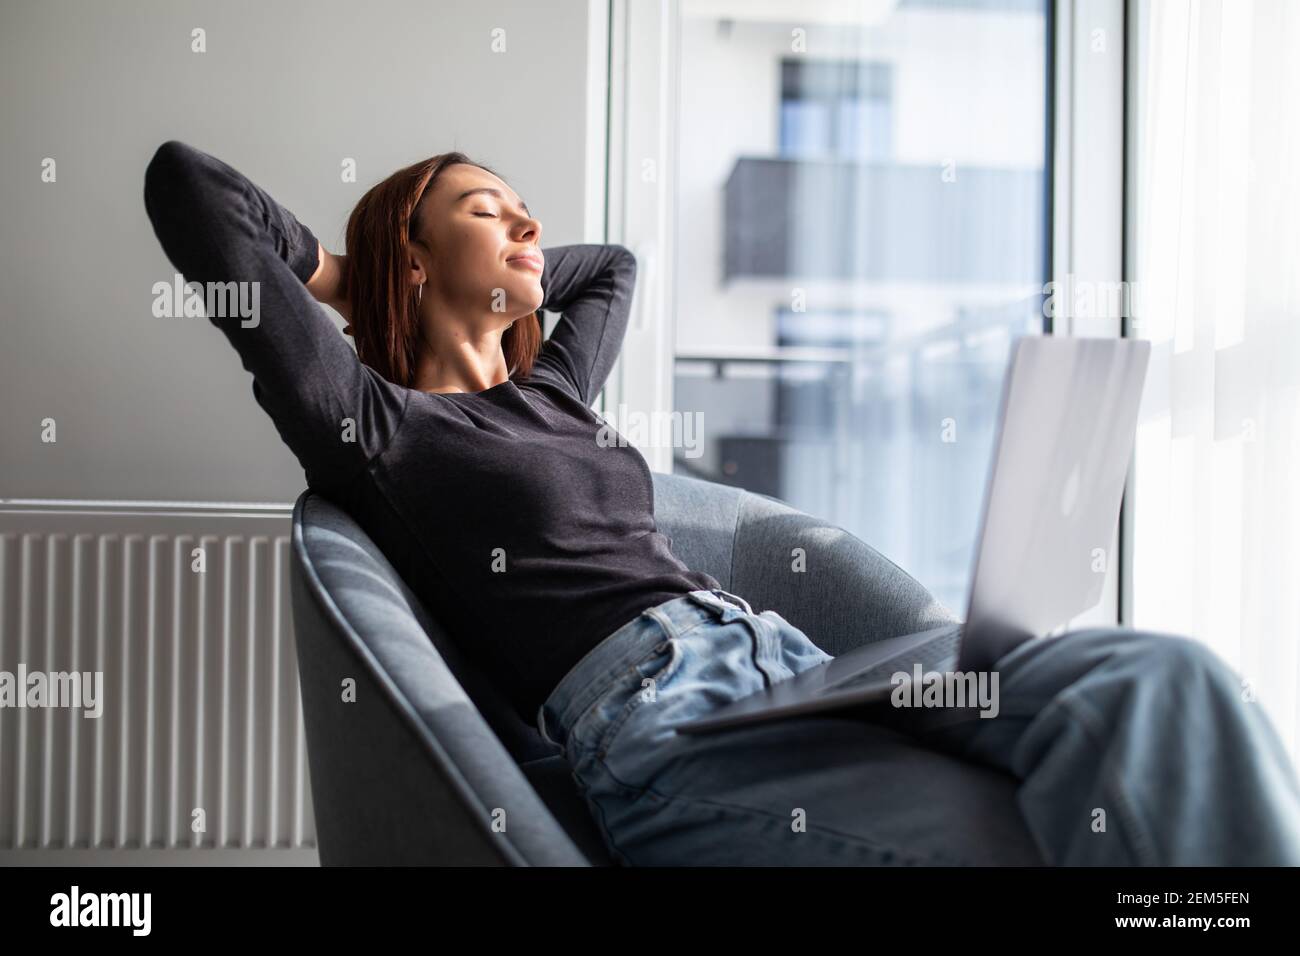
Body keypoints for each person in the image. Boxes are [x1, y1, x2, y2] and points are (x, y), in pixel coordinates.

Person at [142, 140, 1300, 866]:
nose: (530, 226)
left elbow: (615, 267)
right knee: (1027, 836)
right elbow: (190, 186)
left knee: (1167, 680)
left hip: (804, 670)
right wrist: (347, 269)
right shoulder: (376, 424)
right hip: (665, 721)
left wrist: (482, 253)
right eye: (491, 207)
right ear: (411, 246)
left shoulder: (553, 393)